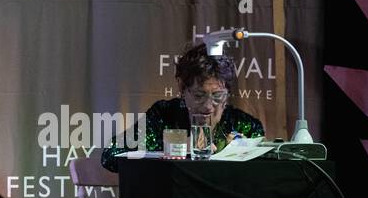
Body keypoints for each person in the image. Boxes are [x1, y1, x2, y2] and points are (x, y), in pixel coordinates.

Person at [100, 42, 265, 173]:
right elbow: (110, 156)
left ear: (228, 93)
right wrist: (171, 149)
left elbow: (262, 176)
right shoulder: (163, 115)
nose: (208, 106)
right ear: (181, 88)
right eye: (199, 96)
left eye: (217, 96)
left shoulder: (246, 126)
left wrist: (239, 154)